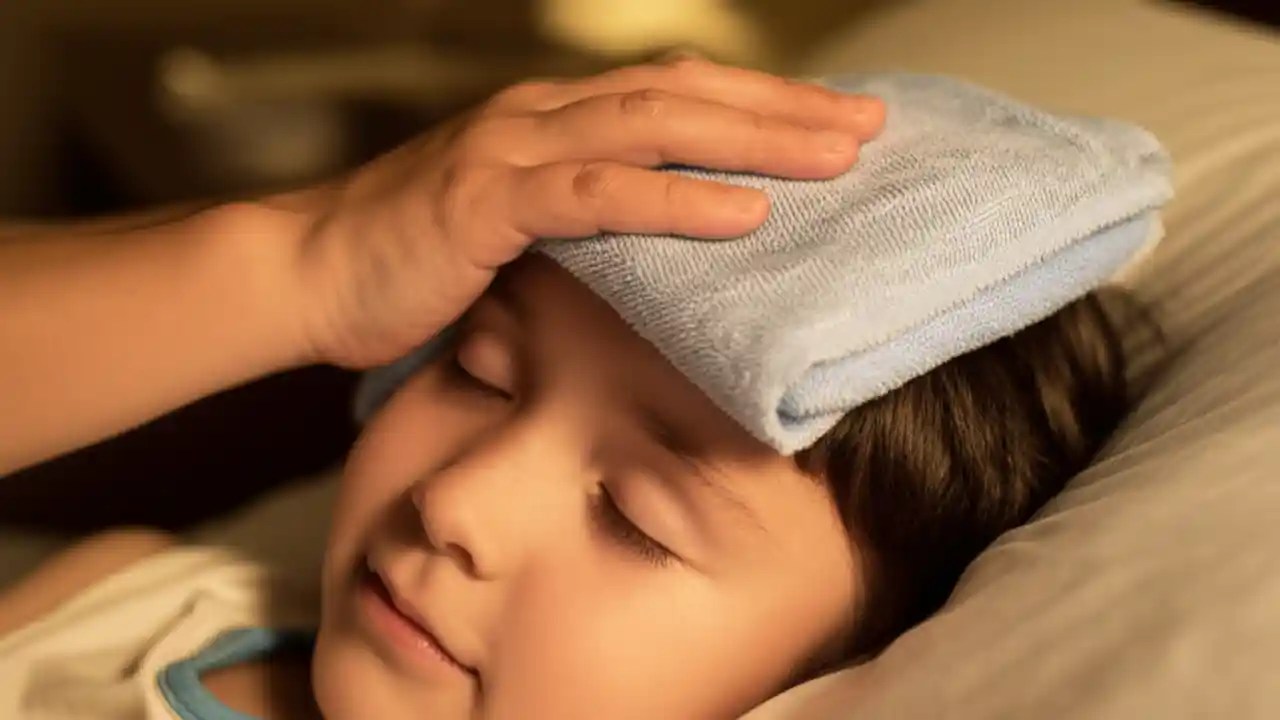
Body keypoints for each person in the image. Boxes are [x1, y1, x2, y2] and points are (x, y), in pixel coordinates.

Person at [0, 58, 1136, 720]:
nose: (457, 505)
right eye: (479, 375)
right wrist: (303, 265)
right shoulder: (134, 596)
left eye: (635, 516)